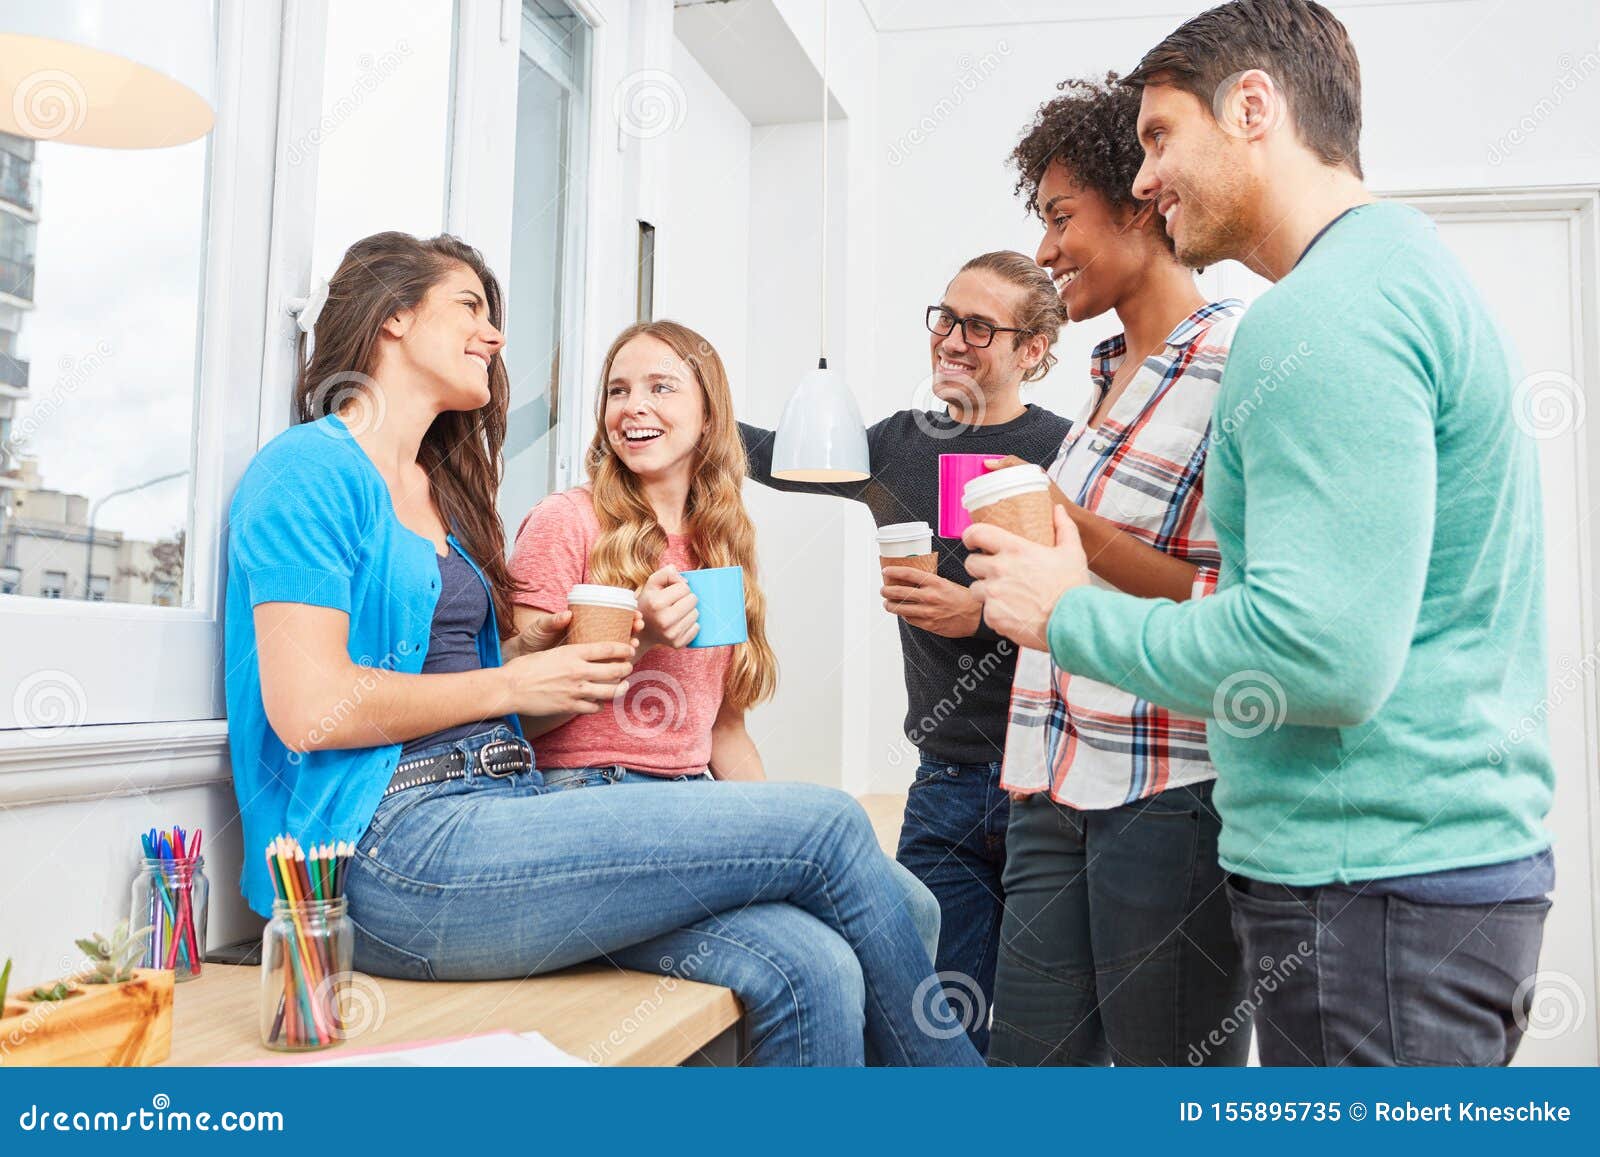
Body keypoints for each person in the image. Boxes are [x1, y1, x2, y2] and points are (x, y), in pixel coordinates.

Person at [223, 231, 982, 1068]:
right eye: (471, 306)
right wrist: (512, 678)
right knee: (832, 823)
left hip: (504, 814)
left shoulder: (435, 490)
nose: (496, 335)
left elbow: (461, 674)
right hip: (391, 853)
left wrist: (528, 646)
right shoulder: (307, 470)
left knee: (812, 965)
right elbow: (307, 709)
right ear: (394, 317)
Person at [966, 0, 1554, 1067]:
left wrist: (1068, 615)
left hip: (1374, 896)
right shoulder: (1394, 276)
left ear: (1251, 107)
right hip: (1407, 894)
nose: (1144, 179)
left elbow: (1316, 653)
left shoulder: (1319, 318)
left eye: (1156, 139)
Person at [506, 318, 948, 1053]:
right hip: (587, 801)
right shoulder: (566, 521)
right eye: (617, 390)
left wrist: (781, 833)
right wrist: (633, 634)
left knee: (916, 907)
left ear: (710, 413)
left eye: (659, 386)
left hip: (695, 804)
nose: (631, 406)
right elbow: (517, 719)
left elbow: (724, 731)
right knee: (821, 962)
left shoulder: (720, 540)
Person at [740, 252, 1070, 1052]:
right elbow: (772, 455)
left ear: (1033, 351)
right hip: (947, 785)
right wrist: (677, 396)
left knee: (1038, 1043)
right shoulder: (898, 442)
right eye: (945, 318)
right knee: (937, 1029)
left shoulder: (1067, 452)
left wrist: (981, 616)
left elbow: (1101, 609)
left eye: (980, 326)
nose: (952, 340)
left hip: (1052, 791)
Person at [982, 75, 1248, 1067]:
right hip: (1050, 773)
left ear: (1142, 197)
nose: (1044, 250)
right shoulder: (1097, 373)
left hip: (1168, 789)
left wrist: (1070, 528)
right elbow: (1079, 575)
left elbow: (1235, 607)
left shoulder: (1237, 359)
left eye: (1059, 217)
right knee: (1033, 1075)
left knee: (1166, 1088)